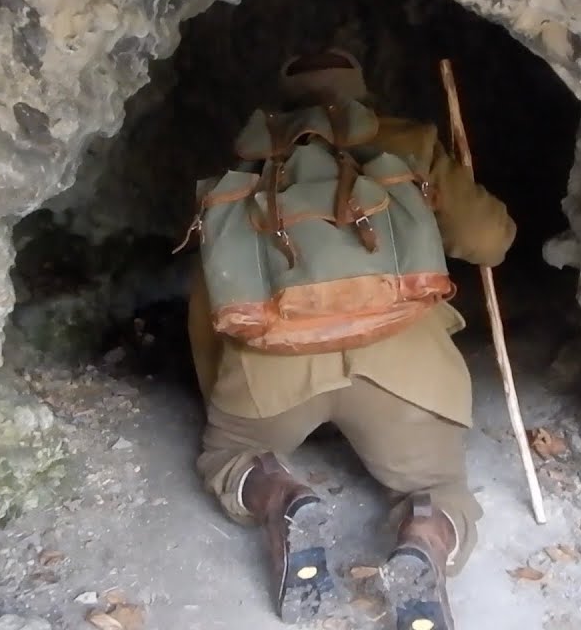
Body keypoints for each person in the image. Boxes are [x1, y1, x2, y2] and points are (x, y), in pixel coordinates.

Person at [184, 48, 516, 628]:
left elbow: (213, 293)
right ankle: (425, 537)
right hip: (401, 361)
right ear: (362, 88)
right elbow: (489, 242)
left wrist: (224, 394)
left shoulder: (252, 162)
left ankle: (280, 495)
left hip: (275, 367)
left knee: (227, 455)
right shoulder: (407, 142)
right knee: (436, 485)